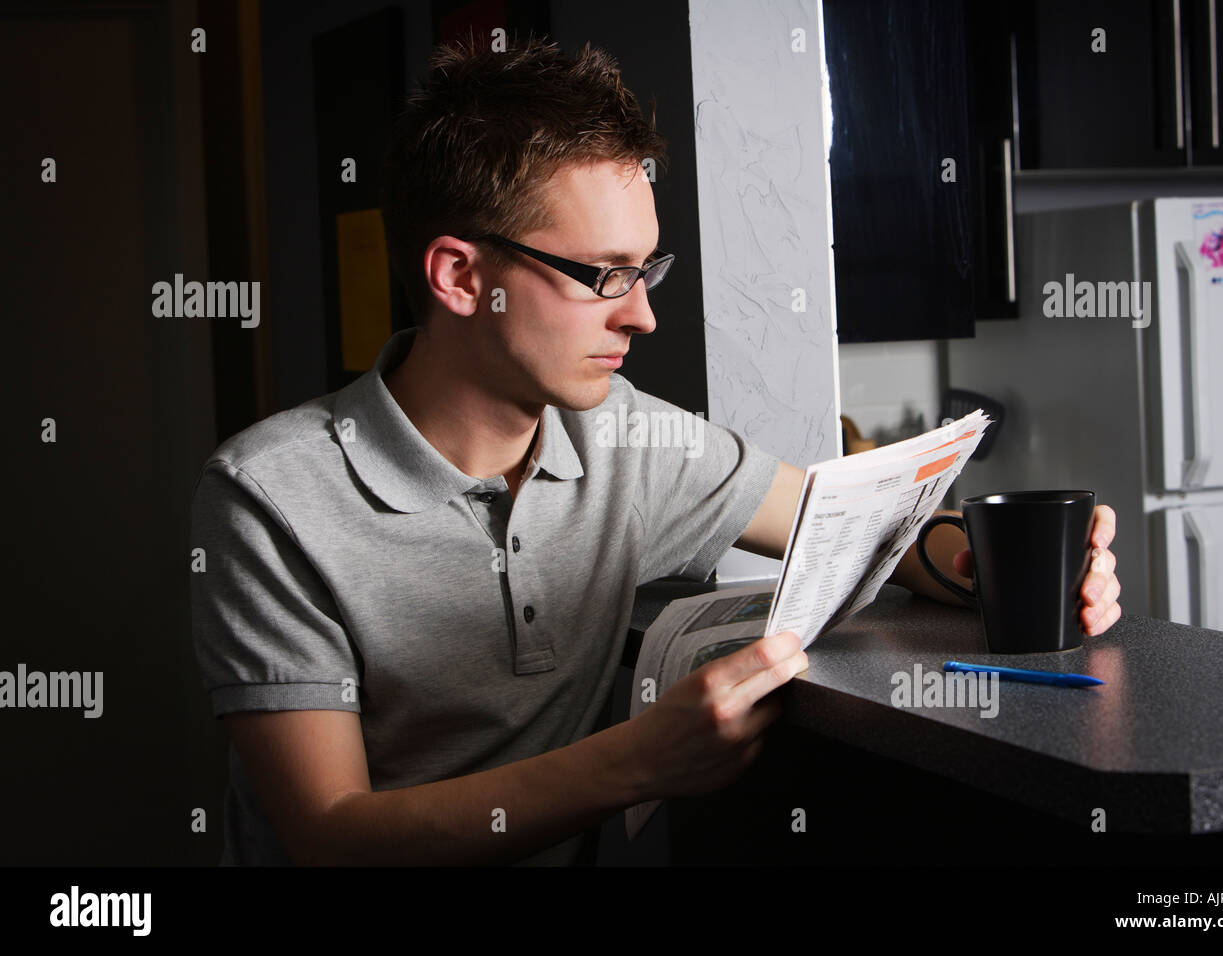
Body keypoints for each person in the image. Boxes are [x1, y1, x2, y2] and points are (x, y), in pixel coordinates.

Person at [189, 36, 1123, 867]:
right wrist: (636, 763)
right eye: (604, 277)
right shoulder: (270, 496)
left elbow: (854, 521)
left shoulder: (626, 434)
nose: (641, 312)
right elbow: (329, 833)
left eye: (648, 268)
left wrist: (998, 562)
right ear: (461, 276)